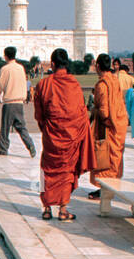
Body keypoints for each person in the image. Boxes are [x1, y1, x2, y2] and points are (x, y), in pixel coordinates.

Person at [32, 47, 94, 221]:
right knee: (67, 171)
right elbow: (81, 112)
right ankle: (63, 208)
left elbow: (39, 113)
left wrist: (47, 127)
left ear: (52, 64)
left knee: (47, 170)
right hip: (71, 136)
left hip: (52, 135)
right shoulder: (73, 83)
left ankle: (46, 208)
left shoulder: (44, 84)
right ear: (66, 64)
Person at [88, 53, 129, 197]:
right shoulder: (114, 80)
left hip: (109, 126)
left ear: (98, 66)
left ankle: (105, 188)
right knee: (114, 158)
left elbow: (105, 112)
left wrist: (95, 110)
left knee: (106, 158)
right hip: (119, 122)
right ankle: (108, 187)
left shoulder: (102, 85)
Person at [0, 46, 37, 158]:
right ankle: (30, 145)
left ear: (5, 56)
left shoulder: (5, 69)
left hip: (9, 102)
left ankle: (3, 149)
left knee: (5, 127)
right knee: (21, 127)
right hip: (19, 102)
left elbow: (0, 85)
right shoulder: (20, 68)